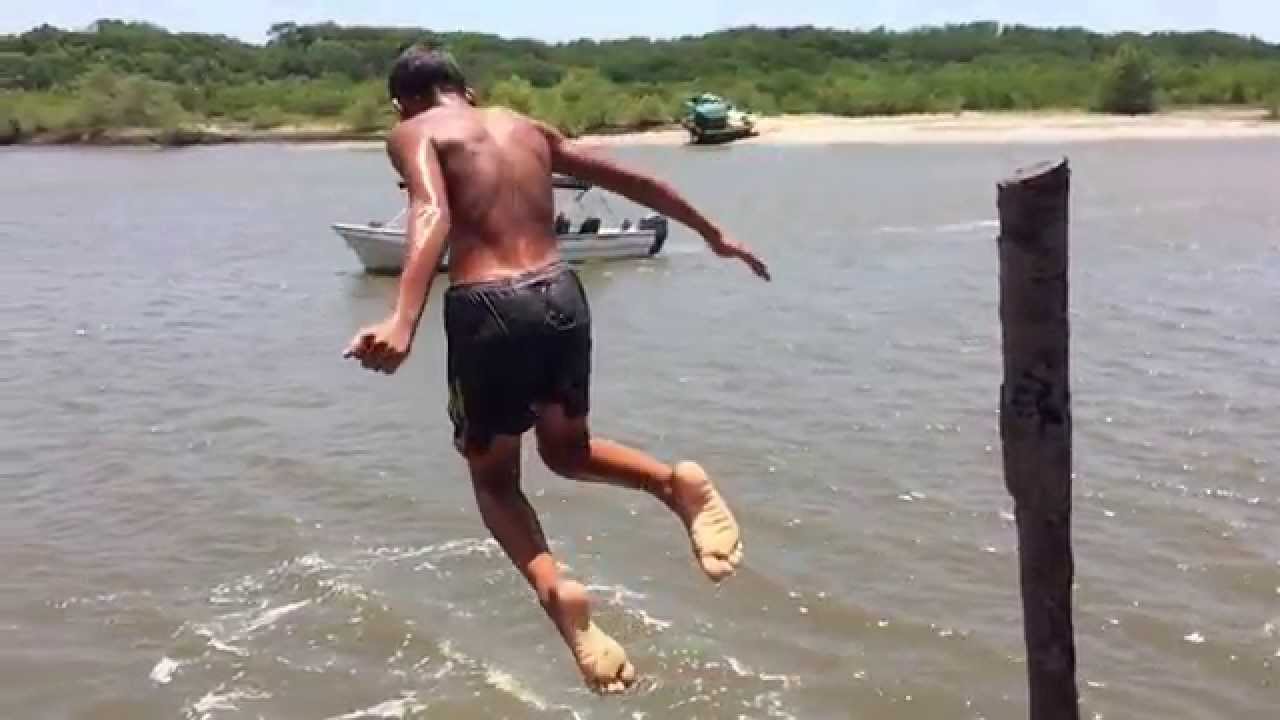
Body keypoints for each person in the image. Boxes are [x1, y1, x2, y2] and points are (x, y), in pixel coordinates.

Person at [344, 45, 770, 694]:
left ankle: (558, 592)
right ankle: (674, 484)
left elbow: (430, 211)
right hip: (562, 297)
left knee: (495, 483)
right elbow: (635, 183)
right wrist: (713, 234)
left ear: (403, 101)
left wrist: (403, 318)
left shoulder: (412, 132)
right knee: (567, 452)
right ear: (469, 91)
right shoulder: (526, 128)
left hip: (489, 309)